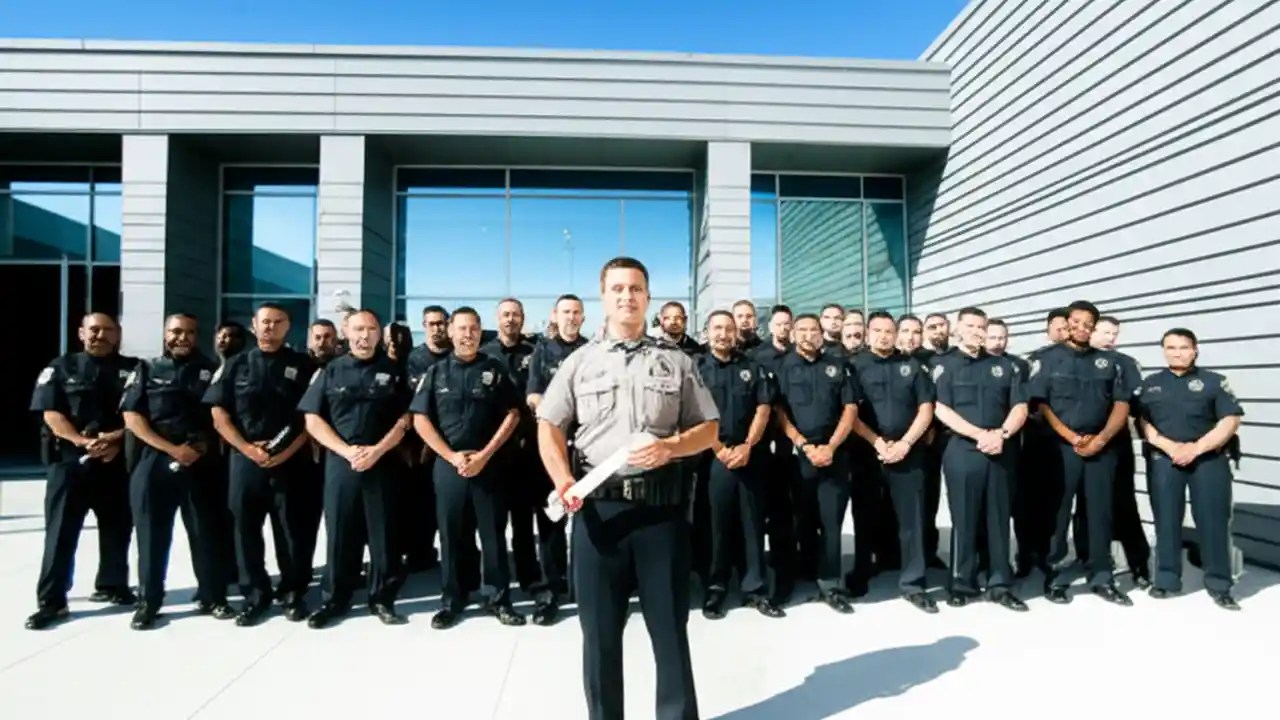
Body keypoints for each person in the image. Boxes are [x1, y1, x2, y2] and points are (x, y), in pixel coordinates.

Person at [536, 256, 719, 720]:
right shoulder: (579, 362)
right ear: (603, 296)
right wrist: (563, 480)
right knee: (599, 637)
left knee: (670, 634)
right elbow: (549, 426)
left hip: (663, 514)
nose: (627, 296)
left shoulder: (676, 360)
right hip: (601, 515)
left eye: (635, 288)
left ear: (647, 296)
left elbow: (710, 429)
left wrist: (671, 447)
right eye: (617, 288)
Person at [204, 302, 317, 626]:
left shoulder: (303, 365)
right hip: (245, 461)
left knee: (290, 532)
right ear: (254, 326)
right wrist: (247, 448)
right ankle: (255, 595)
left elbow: (310, 416)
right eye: (264, 322)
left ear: (287, 327)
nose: (270, 327)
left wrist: (284, 451)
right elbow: (218, 414)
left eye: (277, 322)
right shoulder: (234, 365)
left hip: (290, 461)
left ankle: (293, 594)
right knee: (245, 532)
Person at [411, 306, 524, 629]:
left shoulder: (495, 369)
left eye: (474, 328)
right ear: (450, 331)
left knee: (493, 535)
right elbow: (420, 418)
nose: (468, 334)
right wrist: (450, 456)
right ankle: (452, 600)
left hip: (489, 465)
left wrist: (486, 454)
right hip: (449, 466)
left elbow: (513, 414)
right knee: (451, 535)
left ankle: (498, 599)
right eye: (461, 328)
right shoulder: (435, 373)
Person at [25, 312, 139, 630]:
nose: (100, 335)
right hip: (70, 463)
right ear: (81, 333)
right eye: (94, 329)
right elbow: (50, 412)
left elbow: (142, 414)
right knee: (60, 534)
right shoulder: (60, 367)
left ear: (117, 335)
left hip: (116, 463)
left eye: (107, 330)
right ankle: (52, 602)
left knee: (118, 529)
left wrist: (115, 440)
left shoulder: (133, 370)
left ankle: (113, 586)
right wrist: (81, 440)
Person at [121, 313, 234, 629]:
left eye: (189, 332)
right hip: (154, 459)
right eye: (175, 332)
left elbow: (222, 415)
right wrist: (171, 449)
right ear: (165, 334)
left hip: (201, 461)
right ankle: (149, 602)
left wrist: (199, 447)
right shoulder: (146, 369)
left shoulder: (212, 371)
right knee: (151, 535)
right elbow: (132, 417)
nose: (182, 338)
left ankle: (213, 597)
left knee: (206, 533)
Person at [301, 310, 412, 628]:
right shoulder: (330, 371)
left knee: (384, 534)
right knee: (340, 532)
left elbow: (406, 419)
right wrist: (346, 451)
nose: (365, 336)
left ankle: (383, 599)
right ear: (346, 333)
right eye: (359, 329)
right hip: (341, 462)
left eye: (372, 329)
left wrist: (376, 450)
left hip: (383, 462)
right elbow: (312, 418)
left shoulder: (394, 372)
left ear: (381, 335)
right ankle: (335, 599)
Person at [1027, 300, 1134, 606]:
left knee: (1100, 513)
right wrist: (1072, 436)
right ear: (1067, 322)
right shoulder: (1046, 359)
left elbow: (1122, 403)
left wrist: (1101, 439)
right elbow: (1041, 404)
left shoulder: (1111, 362)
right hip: (1060, 449)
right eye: (1076, 322)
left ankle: (1101, 576)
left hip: (1102, 448)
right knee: (1058, 513)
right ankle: (1056, 576)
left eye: (1089, 323)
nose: (1082, 328)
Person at [1134, 328, 1243, 610]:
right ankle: (1167, 580)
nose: (1177, 353)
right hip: (1165, 459)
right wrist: (1169, 447)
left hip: (1208, 459)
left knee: (1213, 521)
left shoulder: (1214, 382)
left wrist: (1196, 448)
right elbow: (1144, 422)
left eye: (1183, 347)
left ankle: (1220, 584)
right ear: (1163, 351)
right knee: (1166, 520)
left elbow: (1229, 420)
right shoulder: (1150, 384)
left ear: (1195, 349)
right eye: (1170, 348)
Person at [932, 308, 1030, 611]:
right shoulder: (943, 366)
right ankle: (962, 582)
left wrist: (1001, 434)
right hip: (962, 449)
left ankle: (1000, 583)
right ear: (958, 329)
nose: (976, 330)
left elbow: (1020, 407)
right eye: (970, 325)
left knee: (999, 517)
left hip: (1001, 448)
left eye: (981, 326)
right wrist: (979, 435)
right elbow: (941, 409)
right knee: (964, 517)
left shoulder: (1006, 367)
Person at [696, 310, 783, 619]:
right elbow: (690, 413)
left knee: (752, 522)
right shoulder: (696, 368)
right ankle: (716, 588)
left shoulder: (752, 366)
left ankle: (755, 589)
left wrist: (747, 445)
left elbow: (764, 408)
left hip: (750, 455)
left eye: (728, 329)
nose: (723, 334)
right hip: (711, 457)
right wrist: (718, 448)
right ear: (707, 332)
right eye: (717, 328)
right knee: (715, 527)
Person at [849, 312, 937, 612]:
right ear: (868, 333)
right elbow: (851, 413)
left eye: (889, 331)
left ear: (896, 334)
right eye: (877, 331)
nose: (884, 336)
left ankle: (913, 582)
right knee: (865, 517)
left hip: (908, 453)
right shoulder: (855, 366)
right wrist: (877, 443)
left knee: (911, 520)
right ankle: (862, 572)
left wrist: (905, 444)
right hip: (867, 454)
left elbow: (926, 409)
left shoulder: (911, 366)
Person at [774, 313, 861, 614]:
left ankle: (831, 585)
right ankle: (797, 576)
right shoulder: (782, 366)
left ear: (822, 334)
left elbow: (850, 409)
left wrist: (831, 446)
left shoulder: (838, 366)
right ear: (794, 333)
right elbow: (778, 411)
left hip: (834, 454)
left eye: (814, 330)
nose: (809, 335)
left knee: (832, 521)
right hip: (797, 456)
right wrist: (803, 444)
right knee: (798, 521)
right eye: (803, 330)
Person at [524, 293, 588, 621]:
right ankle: (551, 590)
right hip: (553, 446)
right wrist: (556, 415)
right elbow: (533, 395)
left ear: (583, 317)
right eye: (566, 312)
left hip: (588, 447)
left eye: (577, 312)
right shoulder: (542, 351)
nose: (571, 317)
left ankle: (586, 586)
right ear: (555, 315)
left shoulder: (594, 351)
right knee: (551, 518)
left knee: (590, 520)